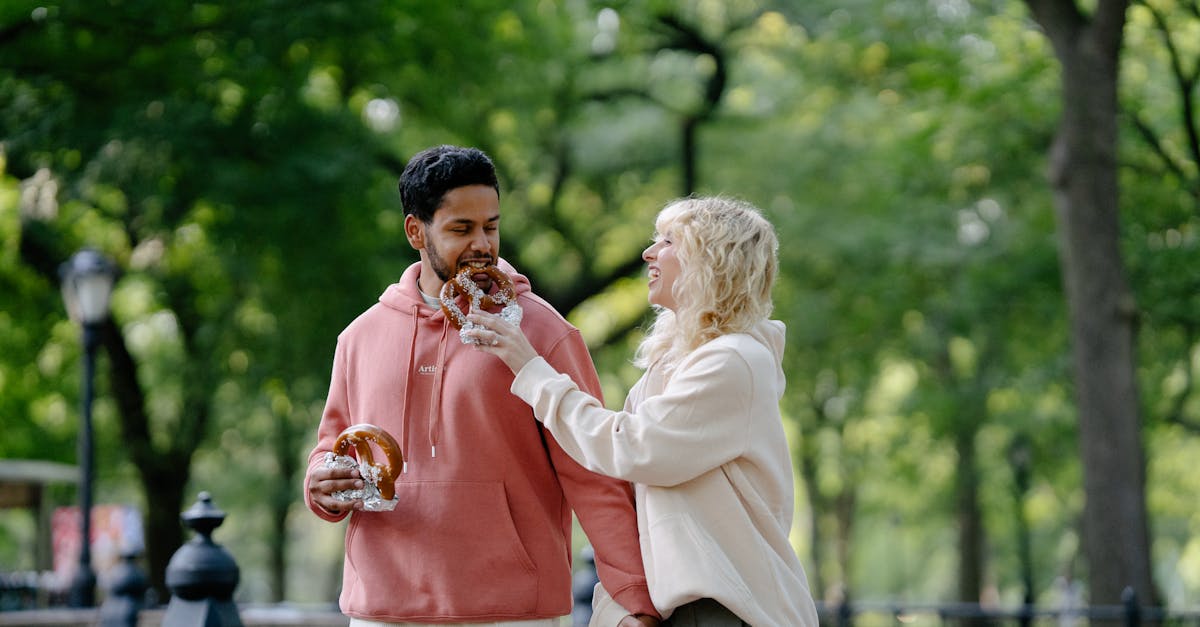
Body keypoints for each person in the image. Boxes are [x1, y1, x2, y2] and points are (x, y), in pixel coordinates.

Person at [304, 145, 660, 627]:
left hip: (512, 610)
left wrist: (637, 600)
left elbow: (593, 471)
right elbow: (334, 449)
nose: (482, 244)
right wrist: (322, 487)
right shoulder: (359, 338)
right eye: (461, 229)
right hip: (382, 609)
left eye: (490, 226)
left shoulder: (540, 332)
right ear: (416, 230)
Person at [464, 196, 821, 627]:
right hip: (684, 609)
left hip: (731, 610)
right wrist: (618, 607)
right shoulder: (668, 367)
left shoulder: (736, 362)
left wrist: (532, 367)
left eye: (668, 241)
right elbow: (624, 492)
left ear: (711, 259)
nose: (649, 252)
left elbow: (632, 448)